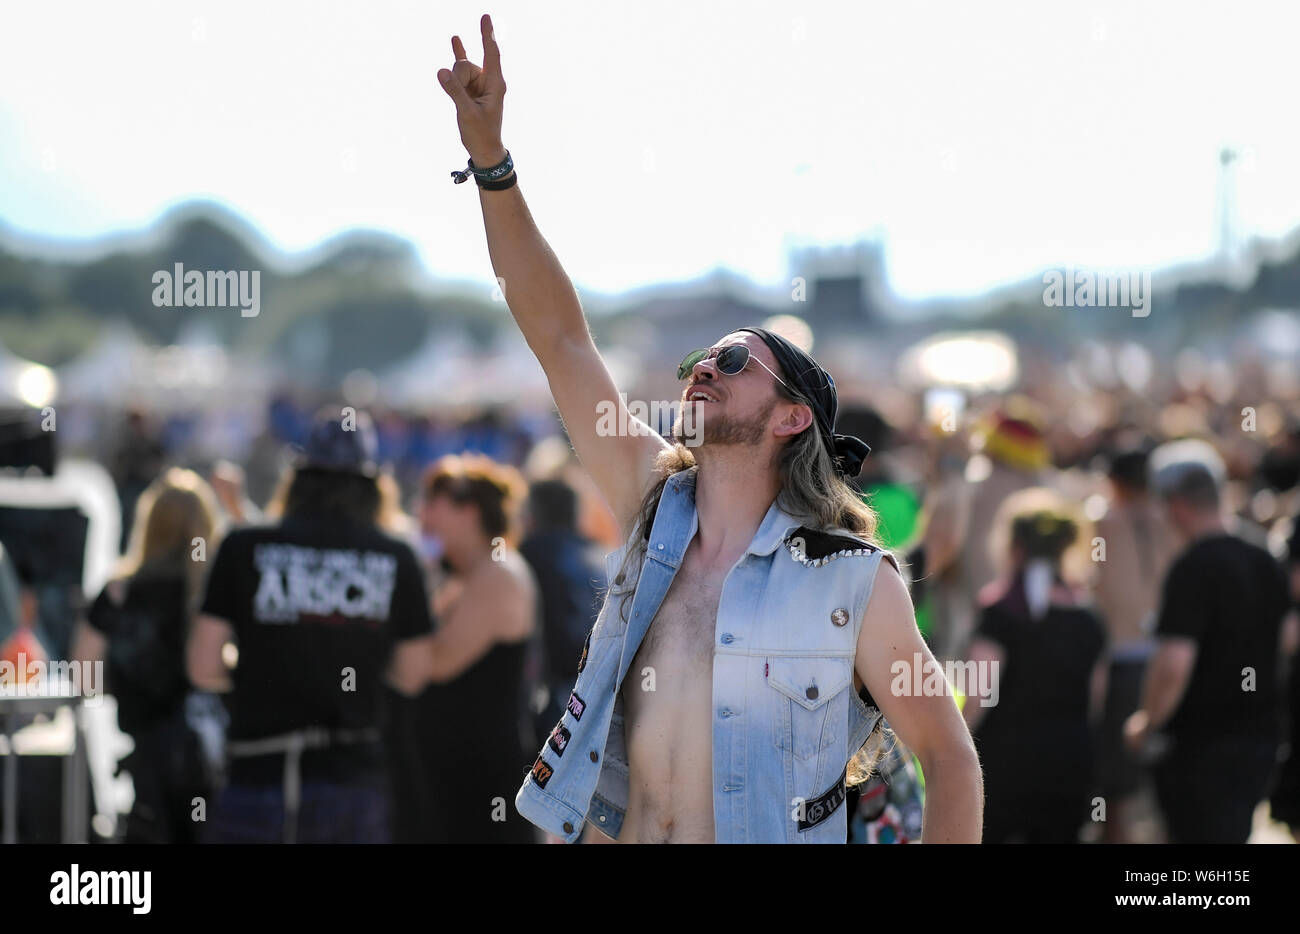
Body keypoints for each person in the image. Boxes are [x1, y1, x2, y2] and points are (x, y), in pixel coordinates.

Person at [436, 15, 982, 844]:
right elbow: (561, 340)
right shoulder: (654, 506)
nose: (703, 370)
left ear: (793, 417)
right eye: (701, 358)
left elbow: (950, 758)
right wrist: (492, 164)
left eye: (733, 363)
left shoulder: (854, 583)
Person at [187, 408, 437, 844]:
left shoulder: (244, 545)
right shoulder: (397, 557)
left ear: (298, 476)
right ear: (373, 485)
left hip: (257, 773)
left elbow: (203, 666)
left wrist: (260, 674)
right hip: (351, 778)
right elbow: (413, 675)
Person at [1124, 440, 1292, 843]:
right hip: (1259, 738)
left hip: (1200, 746)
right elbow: (1286, 638)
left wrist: (1147, 722)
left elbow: (1174, 663)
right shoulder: (1263, 557)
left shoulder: (1193, 567)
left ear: (1177, 504)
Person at [70, 467, 224, 843]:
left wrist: (122, 677)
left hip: (146, 755)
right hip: (213, 755)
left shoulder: (121, 591)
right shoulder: (211, 592)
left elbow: (82, 673)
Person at [406, 453, 540, 843]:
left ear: (468, 512)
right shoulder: (466, 575)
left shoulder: (497, 574)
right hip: (456, 776)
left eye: (433, 502)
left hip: (482, 782)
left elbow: (432, 664)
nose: (421, 514)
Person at [964, 490, 1107, 843]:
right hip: (1070, 762)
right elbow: (1095, 701)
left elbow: (979, 692)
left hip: (1004, 765)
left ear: (1013, 545)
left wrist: (955, 746)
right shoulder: (1089, 618)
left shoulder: (1001, 612)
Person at [1090, 446, 1177, 843]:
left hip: (1119, 657)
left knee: (1117, 773)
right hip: (1167, 655)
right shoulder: (1170, 517)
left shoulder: (1102, 519)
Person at [518, 478, 606, 749]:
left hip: (553, 703)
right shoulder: (602, 555)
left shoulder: (527, 554)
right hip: (602, 696)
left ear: (531, 516)